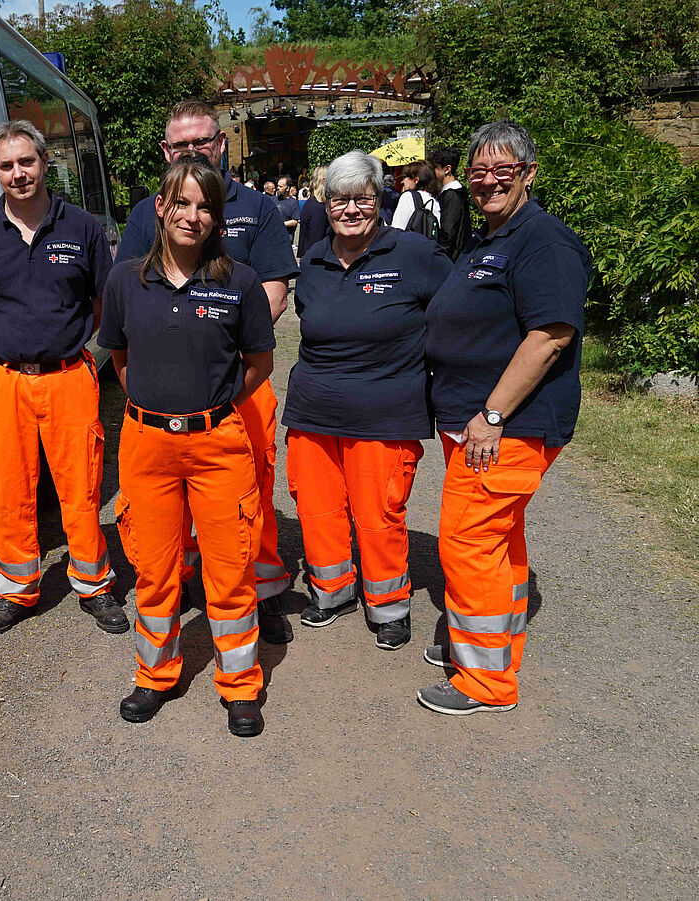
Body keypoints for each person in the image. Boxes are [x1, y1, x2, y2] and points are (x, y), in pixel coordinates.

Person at [418, 120, 591, 715]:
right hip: (477, 424)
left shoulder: (544, 241)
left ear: (528, 175)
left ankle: (485, 682)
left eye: (503, 171)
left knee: (466, 542)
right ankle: (492, 643)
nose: (488, 180)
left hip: (503, 428)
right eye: (479, 170)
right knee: (496, 540)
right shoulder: (491, 236)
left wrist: (491, 414)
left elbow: (550, 335)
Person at [100, 155, 275, 737]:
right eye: (181, 203)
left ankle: (240, 685)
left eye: (205, 206)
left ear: (216, 216)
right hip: (147, 445)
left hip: (218, 444)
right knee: (154, 568)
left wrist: (215, 405)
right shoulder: (126, 279)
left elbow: (259, 363)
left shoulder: (240, 283)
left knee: (229, 570)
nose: (192, 216)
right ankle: (155, 675)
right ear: (161, 207)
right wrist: (152, 407)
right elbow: (119, 357)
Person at [116, 99, 298, 645]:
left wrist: (221, 343)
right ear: (166, 152)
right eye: (181, 145)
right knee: (167, 510)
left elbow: (273, 287)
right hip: (169, 400)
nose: (193, 151)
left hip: (240, 379)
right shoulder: (148, 213)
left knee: (252, 494)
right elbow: (130, 299)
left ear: (222, 143)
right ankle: (191, 579)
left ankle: (259, 590)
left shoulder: (258, 209)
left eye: (202, 142)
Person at [0, 121, 123, 637]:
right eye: (7, 166)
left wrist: (68, 346)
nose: (18, 174)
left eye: (27, 162)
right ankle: (16, 591)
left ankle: (95, 586)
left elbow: (100, 304)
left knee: (81, 486)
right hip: (2, 380)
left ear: (45, 163)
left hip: (69, 377)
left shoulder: (83, 227)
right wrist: (5, 344)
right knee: (7, 488)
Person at [283, 150, 453, 649]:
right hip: (314, 409)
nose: (351, 209)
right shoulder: (313, 259)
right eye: (340, 199)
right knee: (316, 507)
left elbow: (457, 318)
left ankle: (388, 605)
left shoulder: (417, 255)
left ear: (380, 199)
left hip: (385, 411)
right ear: (326, 202)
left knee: (378, 514)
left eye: (362, 198)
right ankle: (331, 590)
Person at [429, 147, 472, 260]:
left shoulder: (451, 195)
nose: (432, 171)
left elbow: (448, 232)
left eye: (435, 167)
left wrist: (439, 258)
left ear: (447, 169)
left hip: (452, 258)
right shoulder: (456, 192)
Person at [391, 160, 442, 232]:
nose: (402, 181)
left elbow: (396, 230)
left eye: (405, 177)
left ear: (416, 180)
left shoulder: (408, 196)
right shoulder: (434, 201)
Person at [295, 165, 330, 259]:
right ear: (324, 181)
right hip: (317, 264)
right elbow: (317, 243)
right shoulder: (317, 208)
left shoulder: (311, 203)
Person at [275, 176, 301, 240]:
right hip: (273, 235)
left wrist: (280, 224)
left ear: (287, 188)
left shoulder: (293, 202)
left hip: (286, 237)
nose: (277, 188)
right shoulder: (272, 200)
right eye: (277, 186)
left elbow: (295, 221)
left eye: (280, 186)